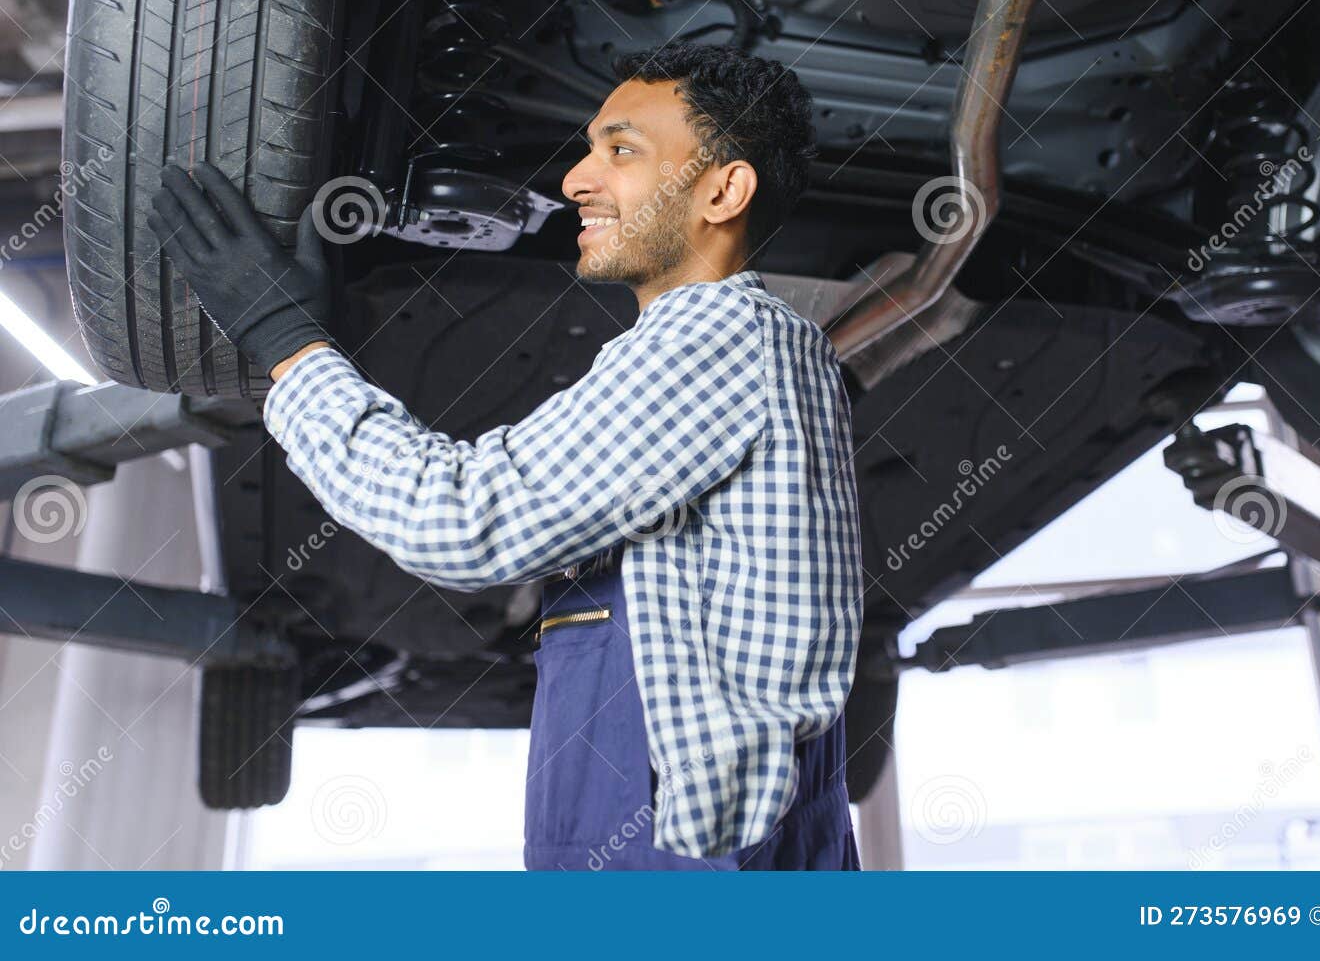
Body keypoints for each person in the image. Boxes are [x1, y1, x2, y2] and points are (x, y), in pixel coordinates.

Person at [148, 43, 864, 870]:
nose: (575, 180)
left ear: (723, 190)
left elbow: (462, 521)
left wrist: (288, 345)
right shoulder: (735, 349)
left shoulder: (722, 338)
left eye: (620, 150)